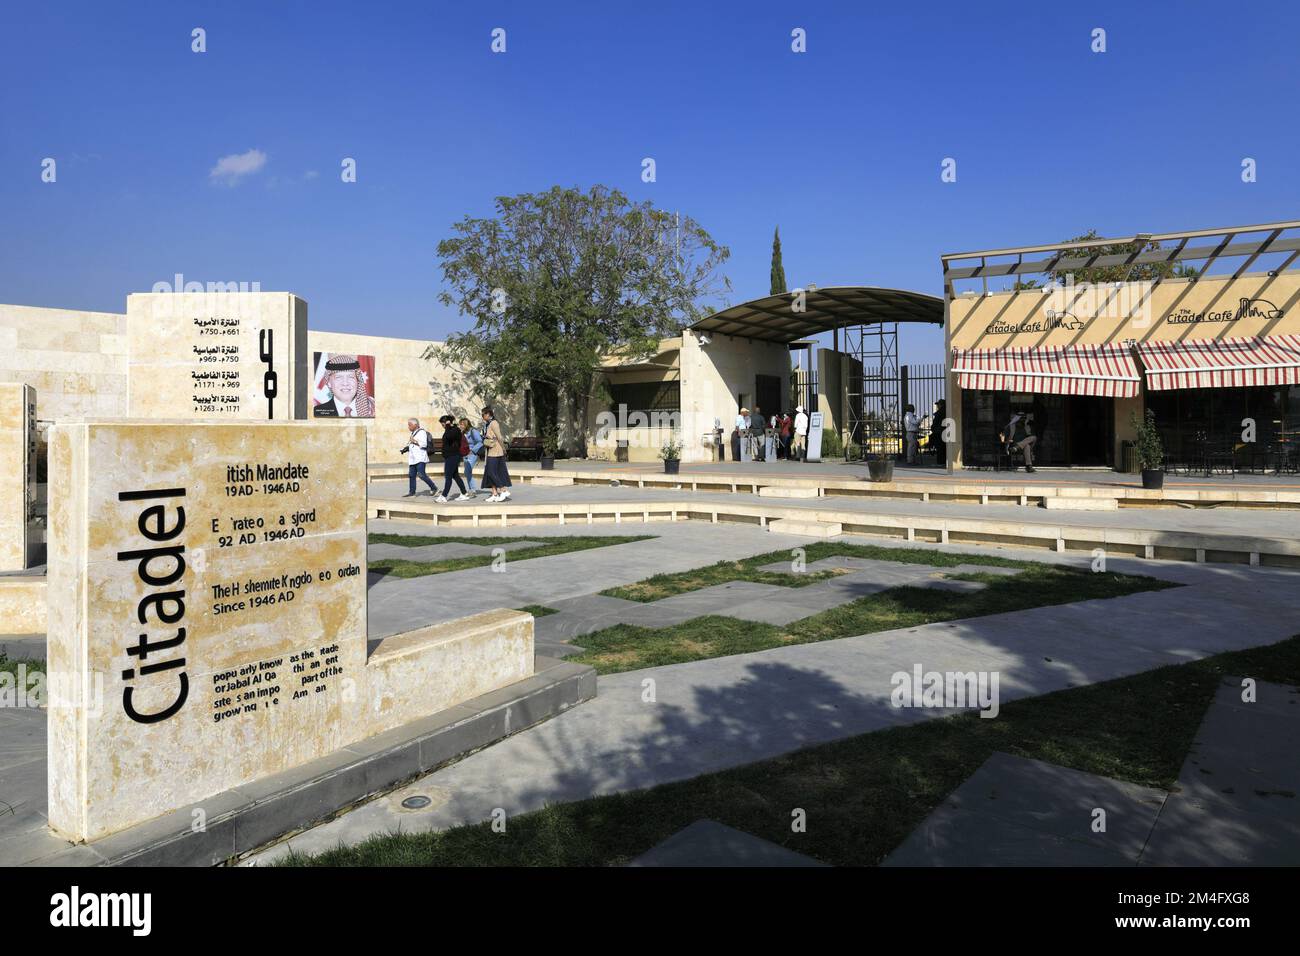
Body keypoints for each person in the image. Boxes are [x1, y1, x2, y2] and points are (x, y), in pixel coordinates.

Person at [313, 354, 375, 418]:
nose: (345, 383)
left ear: (358, 381)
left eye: (351, 377)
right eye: (338, 377)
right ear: (329, 383)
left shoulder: (373, 410)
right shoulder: (317, 413)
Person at [480, 406, 513, 501]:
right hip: (490, 450)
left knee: (491, 471)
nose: (482, 417)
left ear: (488, 414)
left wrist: (503, 448)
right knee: (489, 472)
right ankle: (494, 493)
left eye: (483, 414)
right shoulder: (487, 424)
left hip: (495, 450)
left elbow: (499, 437)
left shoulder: (494, 423)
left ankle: (503, 490)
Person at [435, 415, 469, 502]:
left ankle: (444, 496)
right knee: (455, 475)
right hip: (450, 456)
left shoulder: (455, 430)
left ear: (447, 422)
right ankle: (464, 493)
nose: (443, 426)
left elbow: (449, 436)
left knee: (448, 476)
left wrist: (447, 426)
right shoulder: (450, 430)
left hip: (453, 456)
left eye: (443, 423)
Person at [401, 417, 437, 497]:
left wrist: (414, 441)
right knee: (411, 475)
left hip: (420, 458)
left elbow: (424, 444)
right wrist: (405, 449)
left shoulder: (422, 432)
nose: (408, 427)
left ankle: (434, 488)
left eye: (410, 425)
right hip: (413, 458)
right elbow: (412, 445)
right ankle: (412, 492)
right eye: (408, 425)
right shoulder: (413, 433)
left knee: (421, 474)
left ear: (415, 425)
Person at [459, 416, 483, 497]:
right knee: (467, 472)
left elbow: (480, 442)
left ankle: (472, 490)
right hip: (465, 454)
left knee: (467, 471)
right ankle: (471, 489)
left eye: (462, 424)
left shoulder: (473, 431)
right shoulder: (463, 433)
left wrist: (472, 450)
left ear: (466, 424)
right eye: (460, 424)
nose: (460, 426)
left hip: (472, 454)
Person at [930, 399, 947, 467]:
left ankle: (941, 462)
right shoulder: (946, 411)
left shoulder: (940, 412)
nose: (937, 406)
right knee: (944, 447)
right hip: (944, 432)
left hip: (939, 432)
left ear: (940, 405)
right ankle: (944, 461)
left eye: (938, 404)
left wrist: (933, 428)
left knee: (940, 448)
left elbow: (935, 423)